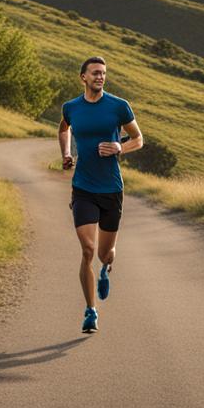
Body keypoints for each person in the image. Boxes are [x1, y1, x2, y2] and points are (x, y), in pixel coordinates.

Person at [59, 56, 144, 333]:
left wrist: (120, 148)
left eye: (103, 74)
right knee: (88, 250)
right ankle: (90, 311)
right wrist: (67, 153)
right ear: (83, 77)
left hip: (111, 189)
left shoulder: (119, 106)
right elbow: (63, 128)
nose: (100, 77)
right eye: (95, 73)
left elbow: (138, 139)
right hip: (83, 187)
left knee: (104, 254)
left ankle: (106, 270)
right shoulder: (71, 107)